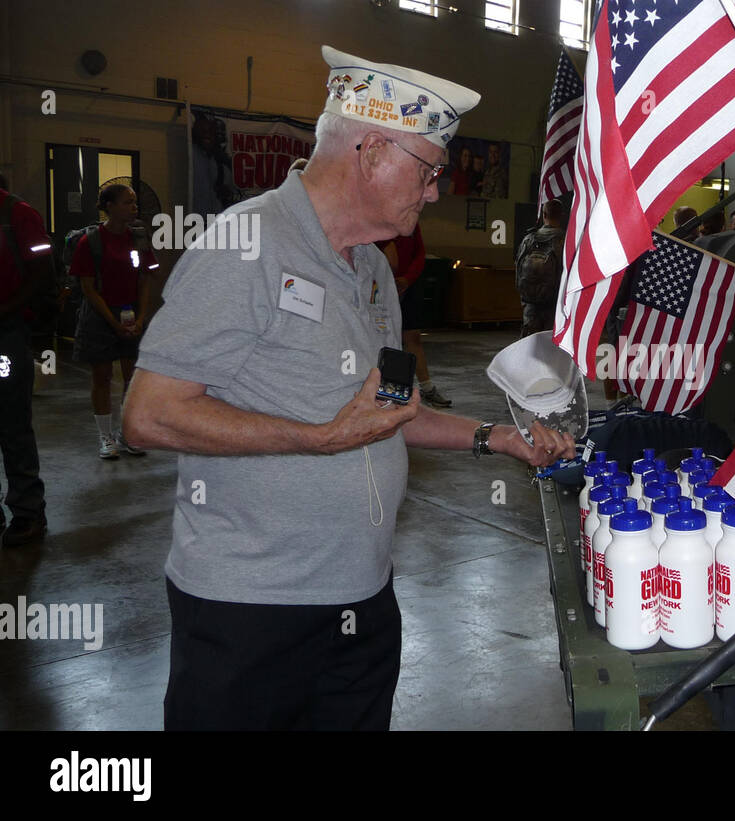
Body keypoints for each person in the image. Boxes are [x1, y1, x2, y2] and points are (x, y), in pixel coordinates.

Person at [124, 45, 576, 731]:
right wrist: (318, 438)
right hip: (252, 613)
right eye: (428, 171)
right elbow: (149, 415)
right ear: (370, 152)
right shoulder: (245, 244)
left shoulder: (369, 267)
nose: (434, 192)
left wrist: (498, 438)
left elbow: (386, 413)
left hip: (363, 602)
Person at [70, 184, 159, 459]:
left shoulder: (140, 238)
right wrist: (112, 321)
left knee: (132, 378)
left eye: (134, 202)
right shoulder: (91, 242)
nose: (133, 207)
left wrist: (141, 316)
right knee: (102, 377)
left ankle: (127, 434)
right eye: (126, 202)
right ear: (108, 206)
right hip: (99, 316)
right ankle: (105, 436)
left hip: (131, 313)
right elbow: (88, 288)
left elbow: (146, 278)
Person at [0, 174, 50, 548]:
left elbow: (40, 273)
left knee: (12, 422)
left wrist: (7, 311)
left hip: (6, 332)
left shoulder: (18, 214)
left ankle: (28, 513)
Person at [377, 224, 452, 407]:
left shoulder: (412, 223)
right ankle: (390, 391)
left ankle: (426, 389)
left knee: (413, 337)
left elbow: (419, 254)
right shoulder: (380, 223)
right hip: (383, 286)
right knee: (388, 339)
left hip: (407, 286)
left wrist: (407, 279)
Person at [515, 198, 566, 337]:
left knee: (529, 345)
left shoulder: (529, 239)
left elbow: (518, 270)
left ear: (543, 215)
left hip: (530, 304)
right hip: (554, 305)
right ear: (561, 215)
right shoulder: (566, 241)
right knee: (550, 346)